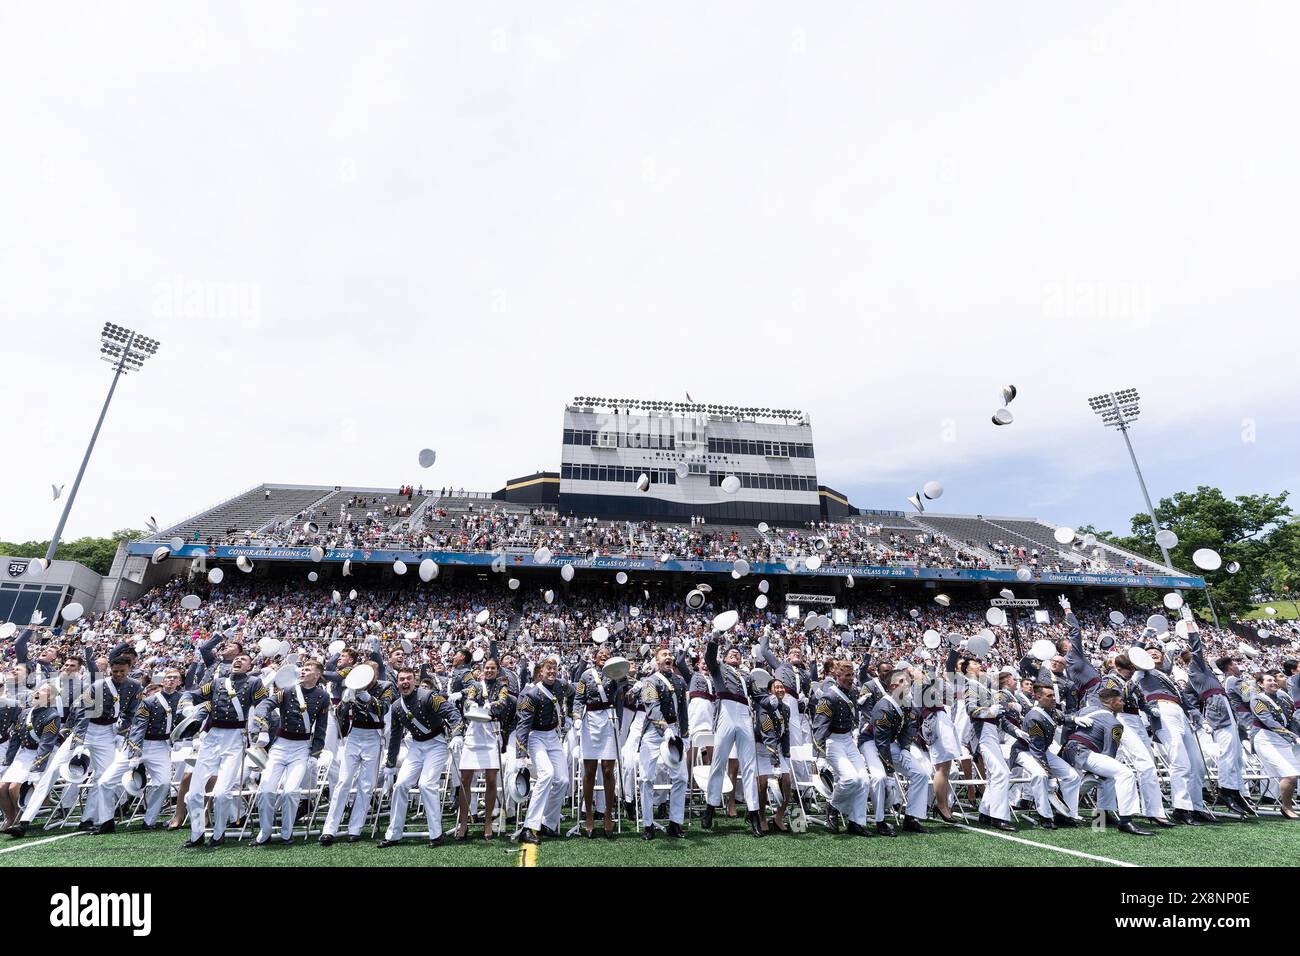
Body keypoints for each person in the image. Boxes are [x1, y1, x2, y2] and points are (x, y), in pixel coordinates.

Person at [180, 653, 269, 847]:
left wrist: (261, 726)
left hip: (236, 737)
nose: (238, 661)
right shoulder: (217, 682)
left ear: (249, 666)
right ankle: (196, 833)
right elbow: (192, 694)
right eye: (236, 659)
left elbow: (264, 704)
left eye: (243, 660)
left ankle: (218, 833)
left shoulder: (254, 682)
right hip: (212, 737)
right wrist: (187, 705)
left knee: (222, 792)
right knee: (194, 792)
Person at [380, 665, 462, 847]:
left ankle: (436, 834)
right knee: (400, 784)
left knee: (426, 784)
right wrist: (390, 763)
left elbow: (452, 713)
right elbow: (395, 736)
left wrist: (457, 734)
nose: (405, 682)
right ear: (398, 683)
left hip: (437, 743)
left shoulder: (428, 696)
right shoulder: (396, 707)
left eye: (408, 678)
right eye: (401, 679)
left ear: (415, 680)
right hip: (416, 746)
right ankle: (393, 834)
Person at [1182, 608, 1252, 816]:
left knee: (1237, 754)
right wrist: (1189, 624)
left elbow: (1190, 700)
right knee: (1228, 752)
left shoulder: (1201, 674)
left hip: (1223, 707)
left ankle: (1236, 790)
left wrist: (1197, 713)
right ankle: (1226, 790)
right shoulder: (1196, 670)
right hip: (1218, 709)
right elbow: (1197, 649)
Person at [251, 661, 330, 846]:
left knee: (291, 791)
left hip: (301, 747)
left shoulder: (323, 696)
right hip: (280, 746)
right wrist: (261, 721)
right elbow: (266, 704)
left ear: (317, 675)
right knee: (266, 789)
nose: (303, 671)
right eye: (302, 668)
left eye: (308, 669)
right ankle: (265, 833)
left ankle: (287, 833)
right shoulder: (287, 691)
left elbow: (321, 728)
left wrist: (315, 753)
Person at [319, 661, 394, 845]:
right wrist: (344, 702)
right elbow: (339, 716)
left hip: (374, 736)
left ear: (376, 674)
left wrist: (368, 698)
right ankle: (329, 829)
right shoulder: (352, 685)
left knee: (366, 785)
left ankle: (355, 827)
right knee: (343, 782)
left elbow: (384, 708)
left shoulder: (386, 687)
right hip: (355, 734)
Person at [1060, 689, 1152, 836]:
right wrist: (1096, 771)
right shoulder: (1115, 724)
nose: (1123, 702)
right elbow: (1110, 752)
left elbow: (1066, 719)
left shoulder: (1087, 709)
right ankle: (1126, 821)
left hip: (1068, 750)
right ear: (1112, 703)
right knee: (1125, 774)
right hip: (1083, 752)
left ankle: (1100, 818)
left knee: (1108, 778)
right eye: (1120, 700)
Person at [701, 635, 759, 831]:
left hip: (744, 712)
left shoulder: (747, 675)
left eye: (738, 653)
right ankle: (711, 806)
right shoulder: (719, 668)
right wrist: (714, 641)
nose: (735, 653)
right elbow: (709, 658)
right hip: (725, 708)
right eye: (731, 653)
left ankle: (753, 812)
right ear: (724, 658)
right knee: (719, 761)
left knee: (750, 764)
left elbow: (758, 696)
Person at [515, 657, 573, 844]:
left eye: (555, 668)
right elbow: (523, 726)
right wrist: (521, 754)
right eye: (548, 668)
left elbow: (575, 693)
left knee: (563, 780)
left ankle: (548, 822)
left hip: (553, 736)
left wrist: (572, 714)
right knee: (546, 774)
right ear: (540, 672)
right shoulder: (531, 694)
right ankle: (529, 827)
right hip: (536, 736)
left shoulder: (562, 685)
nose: (552, 672)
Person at [454, 655, 512, 841]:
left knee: (491, 779)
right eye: (486, 668)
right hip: (474, 731)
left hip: (490, 731)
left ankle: (487, 822)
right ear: (482, 669)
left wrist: (489, 706)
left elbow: (502, 704)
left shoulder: (502, 686)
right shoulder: (476, 686)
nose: (489, 671)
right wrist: (477, 706)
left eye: (492, 668)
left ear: (497, 671)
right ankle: (464, 822)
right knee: (465, 779)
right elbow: (468, 701)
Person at [812, 660, 872, 836]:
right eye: (847, 675)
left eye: (852, 675)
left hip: (848, 740)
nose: (851, 678)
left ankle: (856, 822)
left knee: (864, 779)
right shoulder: (828, 697)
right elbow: (819, 727)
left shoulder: (852, 692)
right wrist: (820, 754)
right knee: (850, 779)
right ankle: (832, 806)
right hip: (833, 741)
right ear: (837, 677)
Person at [1008, 682, 1082, 827]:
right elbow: (1036, 750)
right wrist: (1050, 775)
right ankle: (1045, 816)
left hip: (1043, 751)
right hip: (1025, 751)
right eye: (1049, 696)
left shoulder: (1051, 710)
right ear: (1038, 697)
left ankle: (1065, 814)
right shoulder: (1034, 717)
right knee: (1040, 775)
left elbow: (1062, 718)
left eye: (1054, 695)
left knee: (1072, 776)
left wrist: (1075, 719)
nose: (1054, 698)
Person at [573, 645, 623, 839]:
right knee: (590, 771)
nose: (604, 656)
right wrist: (577, 716)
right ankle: (590, 815)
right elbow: (578, 698)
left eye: (607, 655)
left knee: (609, 770)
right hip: (591, 721)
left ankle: (609, 815)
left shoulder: (615, 673)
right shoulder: (586, 675)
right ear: (594, 659)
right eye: (601, 655)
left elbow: (623, 688)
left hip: (609, 719)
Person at [637, 648, 688, 840]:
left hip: (674, 730)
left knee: (681, 777)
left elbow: (683, 709)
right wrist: (665, 729)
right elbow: (652, 709)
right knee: (646, 779)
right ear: (657, 662)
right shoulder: (650, 681)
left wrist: (684, 733)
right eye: (663, 655)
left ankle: (675, 823)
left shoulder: (680, 681)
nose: (668, 657)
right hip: (653, 732)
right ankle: (648, 825)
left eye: (669, 655)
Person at [871, 667, 929, 834]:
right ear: (892, 687)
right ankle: (879, 821)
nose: (907, 683)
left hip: (893, 744)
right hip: (872, 744)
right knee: (881, 778)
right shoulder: (884, 706)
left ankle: (911, 817)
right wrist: (889, 771)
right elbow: (880, 742)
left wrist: (904, 748)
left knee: (921, 774)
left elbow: (909, 728)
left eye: (907, 680)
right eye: (902, 681)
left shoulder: (905, 702)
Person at [1246, 674, 1300, 819]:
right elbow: (1268, 721)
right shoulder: (1257, 699)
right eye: (1269, 680)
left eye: (1274, 680)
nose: (1274, 682)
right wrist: (1294, 737)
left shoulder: (1283, 698)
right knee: (1290, 775)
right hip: (1265, 738)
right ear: (1261, 684)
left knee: (1294, 774)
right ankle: (1286, 807)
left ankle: (1288, 804)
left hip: (1283, 739)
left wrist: (1296, 735)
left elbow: (1291, 721)